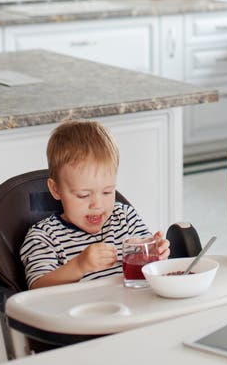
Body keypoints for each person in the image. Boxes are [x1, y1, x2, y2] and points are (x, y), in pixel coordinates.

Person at [20, 119, 170, 289]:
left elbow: (146, 268)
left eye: (107, 192)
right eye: (83, 195)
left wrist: (153, 252)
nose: (97, 205)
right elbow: (36, 288)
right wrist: (79, 266)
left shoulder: (125, 218)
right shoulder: (44, 237)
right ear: (56, 189)